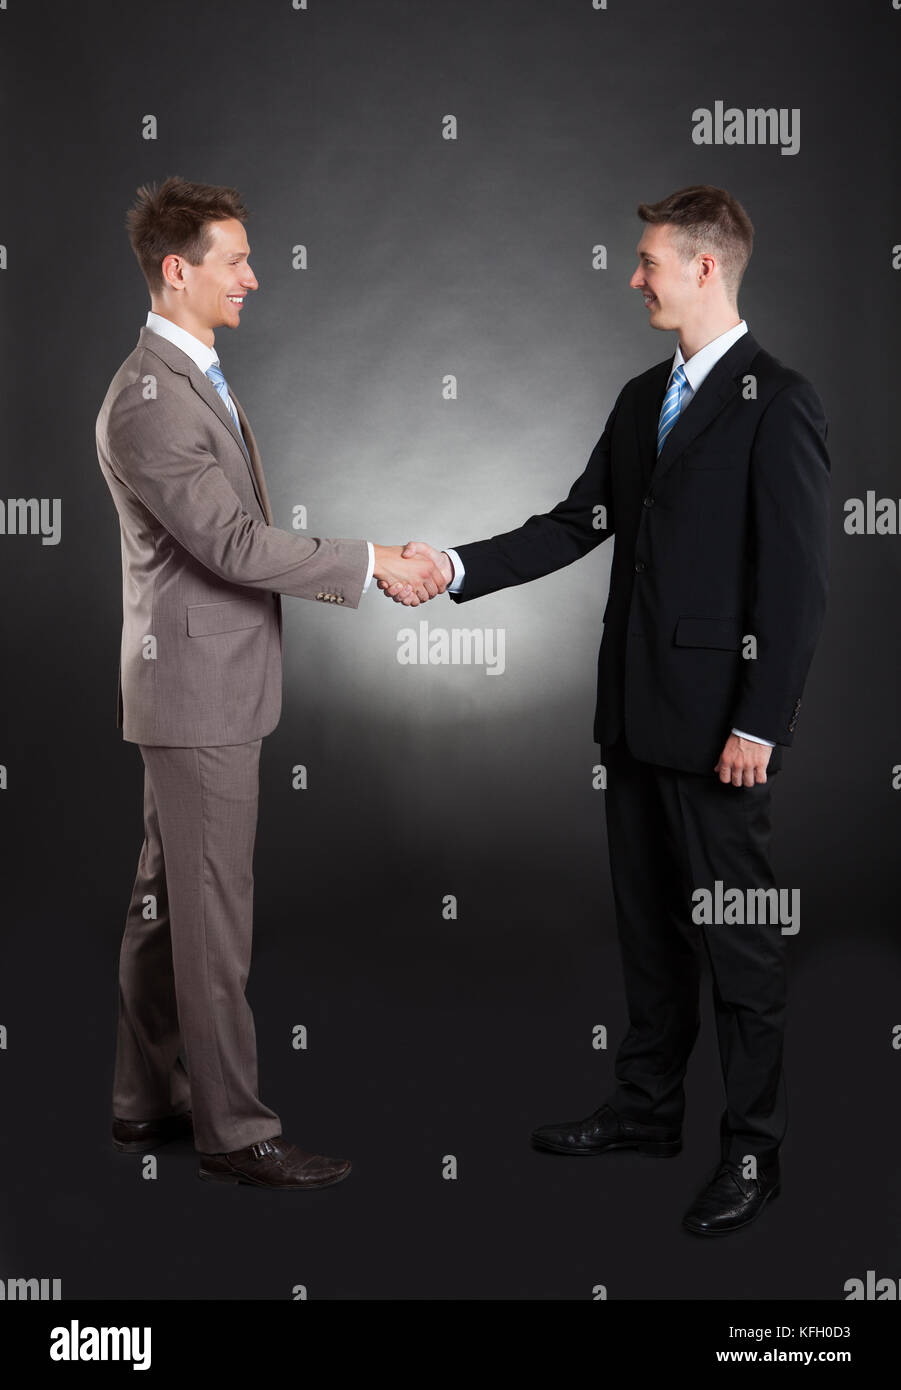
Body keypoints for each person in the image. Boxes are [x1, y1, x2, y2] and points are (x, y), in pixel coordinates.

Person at [383, 185, 830, 1234]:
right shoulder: (641, 400)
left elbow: (797, 585)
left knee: (742, 950)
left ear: (704, 267)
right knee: (649, 934)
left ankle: (755, 1152)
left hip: (724, 735)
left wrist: (759, 724)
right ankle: (646, 1110)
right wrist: (448, 566)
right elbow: (573, 522)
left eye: (646, 262)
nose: (633, 278)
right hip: (631, 723)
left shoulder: (782, 399)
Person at [96, 175, 446, 1190]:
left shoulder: (190, 375)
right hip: (197, 693)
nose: (254, 276)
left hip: (200, 686)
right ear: (178, 270)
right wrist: (372, 558)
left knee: (166, 903)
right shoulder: (153, 398)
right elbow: (233, 543)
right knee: (211, 917)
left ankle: (142, 1100)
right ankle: (235, 1131)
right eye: (235, 258)